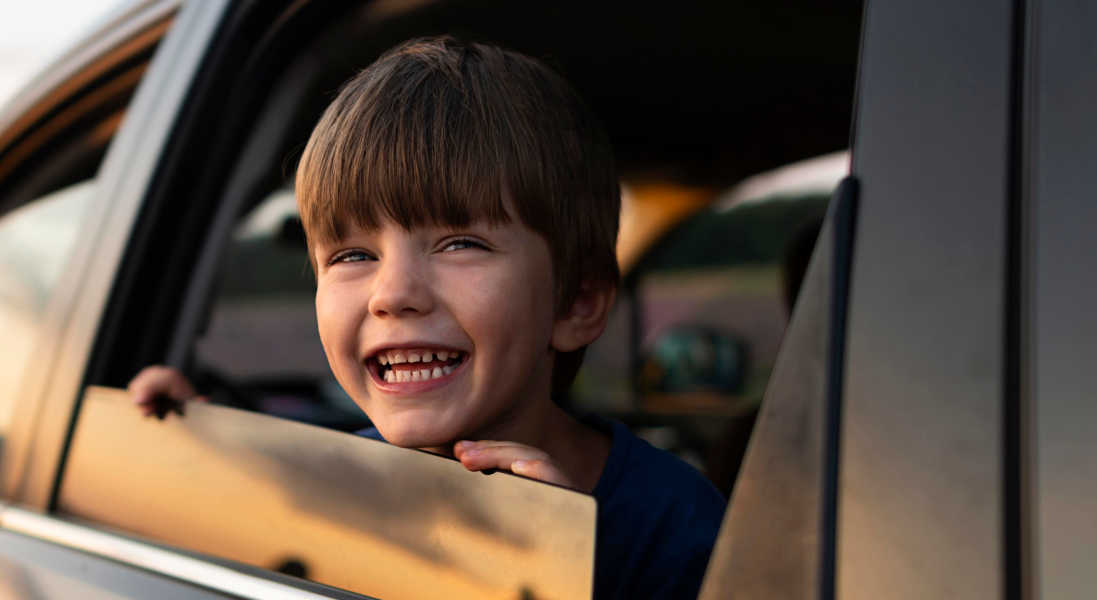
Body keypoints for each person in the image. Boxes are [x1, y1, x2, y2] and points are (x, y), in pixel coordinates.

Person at [128, 36, 725, 599]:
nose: (393, 294)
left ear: (578, 303)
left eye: (459, 243)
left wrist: (556, 562)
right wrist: (195, 450)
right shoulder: (331, 487)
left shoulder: (682, 532)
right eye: (353, 255)